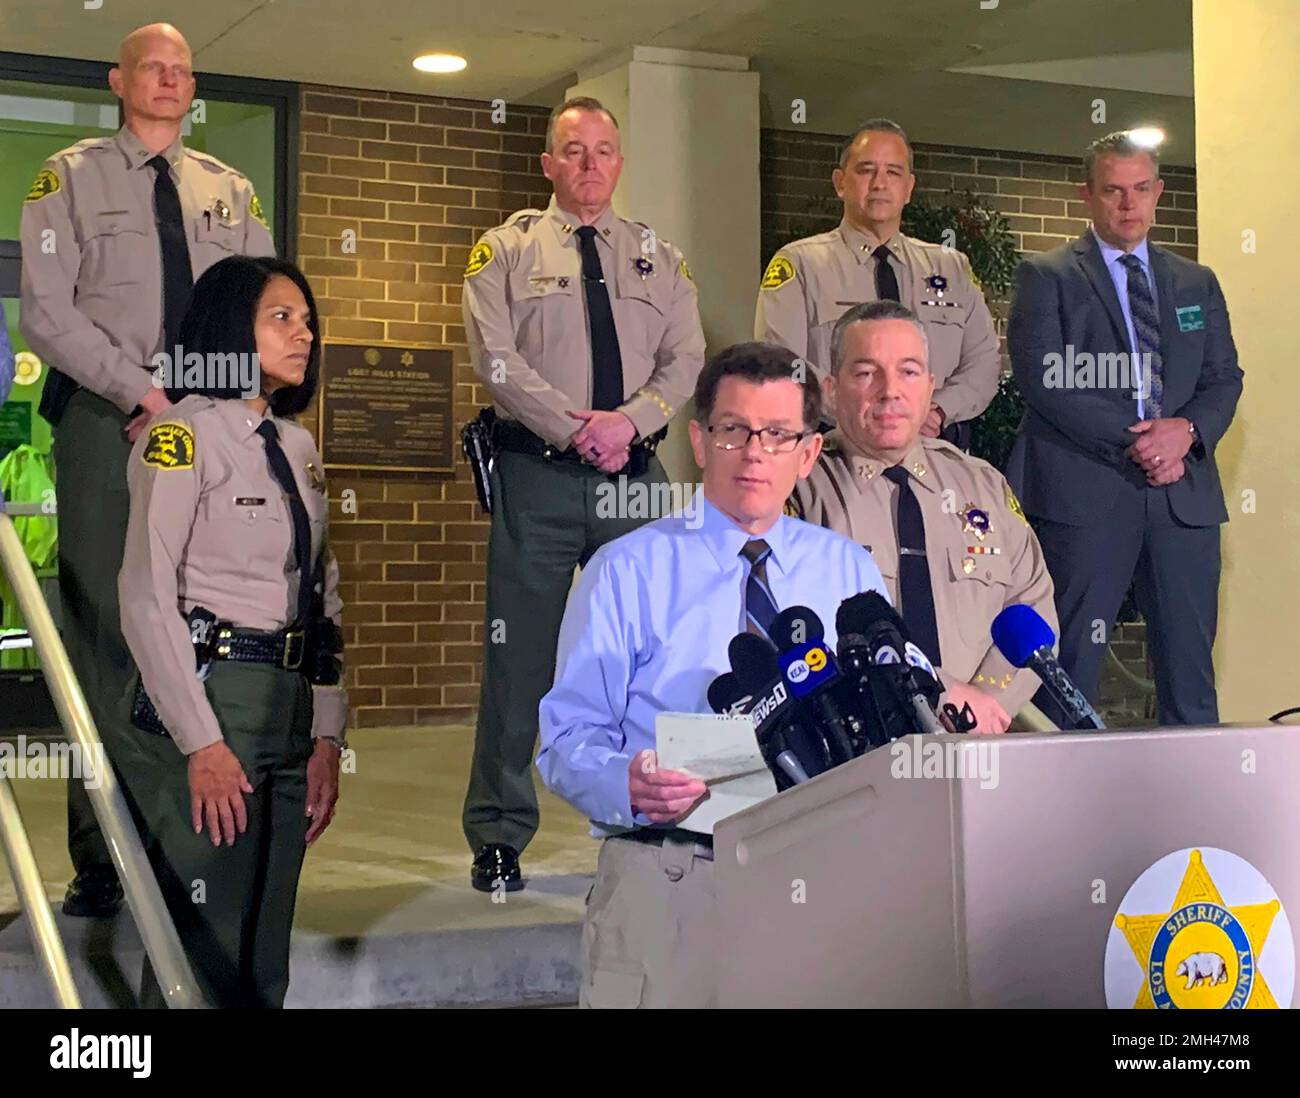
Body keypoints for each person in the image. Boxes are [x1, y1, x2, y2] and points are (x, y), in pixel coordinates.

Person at [538, 342, 887, 1008]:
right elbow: (564, 741)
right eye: (734, 430)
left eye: (779, 434)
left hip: (818, 884)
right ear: (699, 441)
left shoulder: (849, 574)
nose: (755, 451)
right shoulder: (626, 570)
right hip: (668, 881)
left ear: (808, 454)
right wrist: (628, 785)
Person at [19, 22, 275, 916]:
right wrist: (141, 391)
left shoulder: (228, 189)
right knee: (104, 631)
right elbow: (45, 316)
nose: (168, 80)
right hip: (104, 423)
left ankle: (181, 849)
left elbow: (260, 300)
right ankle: (99, 856)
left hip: (205, 428)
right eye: (152, 67)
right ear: (118, 79)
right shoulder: (70, 176)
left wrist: (227, 404)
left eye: (181, 69)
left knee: (198, 621)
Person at [460, 96, 705, 892]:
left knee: (667, 653)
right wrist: (577, 429)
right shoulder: (503, 250)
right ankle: (500, 831)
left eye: (604, 150)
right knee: (520, 658)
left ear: (620, 163)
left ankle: (672, 810)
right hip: (541, 476)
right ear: (549, 164)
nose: (590, 164)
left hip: (636, 477)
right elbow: (495, 361)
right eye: (574, 150)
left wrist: (629, 425)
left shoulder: (658, 258)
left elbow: (686, 359)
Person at [116, 256, 343, 1008]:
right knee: (202, 943)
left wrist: (328, 736)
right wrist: (200, 743)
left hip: (287, 700)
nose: (303, 333)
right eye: (282, 317)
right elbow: (146, 594)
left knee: (264, 952)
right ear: (227, 328)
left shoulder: (299, 448)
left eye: (307, 320)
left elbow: (325, 600)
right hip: (217, 698)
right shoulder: (181, 435)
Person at [1006, 131, 1242, 728]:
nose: (1128, 204)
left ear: (1158, 192)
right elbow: (1043, 379)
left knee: (1190, 676)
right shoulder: (1047, 274)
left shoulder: (1196, 282)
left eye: (1140, 190)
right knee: (1066, 672)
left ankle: (1193, 812)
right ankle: (1055, 813)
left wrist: (1184, 432)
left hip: (1181, 499)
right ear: (1088, 195)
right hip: (1086, 493)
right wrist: (1142, 441)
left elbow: (1223, 378)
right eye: (1113, 191)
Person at [790, 301, 1057, 732]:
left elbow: (1033, 604)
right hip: (858, 744)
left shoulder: (981, 484)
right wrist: (941, 692)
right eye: (865, 373)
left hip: (981, 739)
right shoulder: (800, 486)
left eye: (908, 372)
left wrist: (983, 701)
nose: (889, 390)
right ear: (832, 389)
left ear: (930, 387)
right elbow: (796, 625)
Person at [755, 119, 999, 446]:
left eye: (893, 172)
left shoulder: (952, 268)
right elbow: (783, 365)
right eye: (866, 170)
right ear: (840, 182)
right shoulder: (800, 265)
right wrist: (865, 414)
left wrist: (937, 410)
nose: (880, 183)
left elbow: (983, 363)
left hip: (933, 453)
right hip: (833, 454)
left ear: (909, 187)